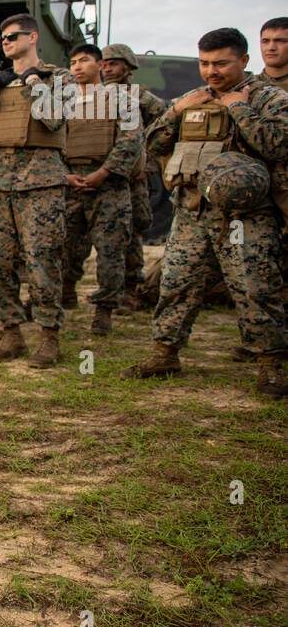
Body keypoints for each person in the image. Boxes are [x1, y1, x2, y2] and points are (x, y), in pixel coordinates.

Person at [125, 27, 288, 396]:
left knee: (255, 288)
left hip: (246, 217)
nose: (212, 71)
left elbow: (277, 145)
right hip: (193, 211)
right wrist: (177, 111)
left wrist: (238, 107)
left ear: (244, 60)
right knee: (176, 284)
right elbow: (152, 142)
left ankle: (270, 366)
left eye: (221, 63)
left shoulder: (267, 98)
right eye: (204, 63)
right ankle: (165, 353)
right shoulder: (190, 100)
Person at [0, 13, 73, 367]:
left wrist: (34, 83)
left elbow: (54, 118)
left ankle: (48, 336)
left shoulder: (59, 78)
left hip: (40, 179)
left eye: (13, 36)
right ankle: (11, 333)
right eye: (3, 38)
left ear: (33, 37)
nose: (6, 42)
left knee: (42, 260)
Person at [61, 43, 141, 334]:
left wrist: (104, 172)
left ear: (99, 64)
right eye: (73, 62)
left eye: (84, 60)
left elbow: (130, 141)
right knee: (66, 246)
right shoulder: (63, 103)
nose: (77, 67)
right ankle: (65, 291)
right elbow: (52, 143)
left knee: (110, 251)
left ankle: (104, 310)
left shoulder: (122, 99)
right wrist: (66, 175)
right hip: (71, 185)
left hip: (109, 185)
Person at [97, 43, 170, 314]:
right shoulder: (93, 96)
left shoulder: (138, 96)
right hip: (99, 174)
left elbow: (163, 123)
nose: (107, 68)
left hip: (132, 177)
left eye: (113, 64)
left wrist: (147, 159)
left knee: (131, 231)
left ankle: (131, 288)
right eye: (103, 64)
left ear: (128, 68)